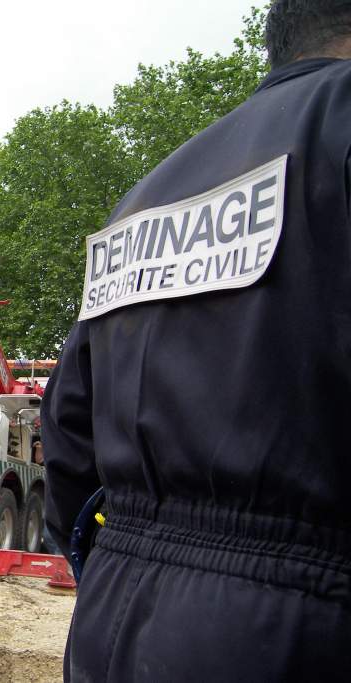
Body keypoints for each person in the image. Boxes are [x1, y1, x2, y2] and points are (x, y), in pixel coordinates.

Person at [41, 1, 351, 680]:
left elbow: (66, 437)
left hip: (112, 622)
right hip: (299, 634)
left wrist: (130, 554)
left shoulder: (145, 198)